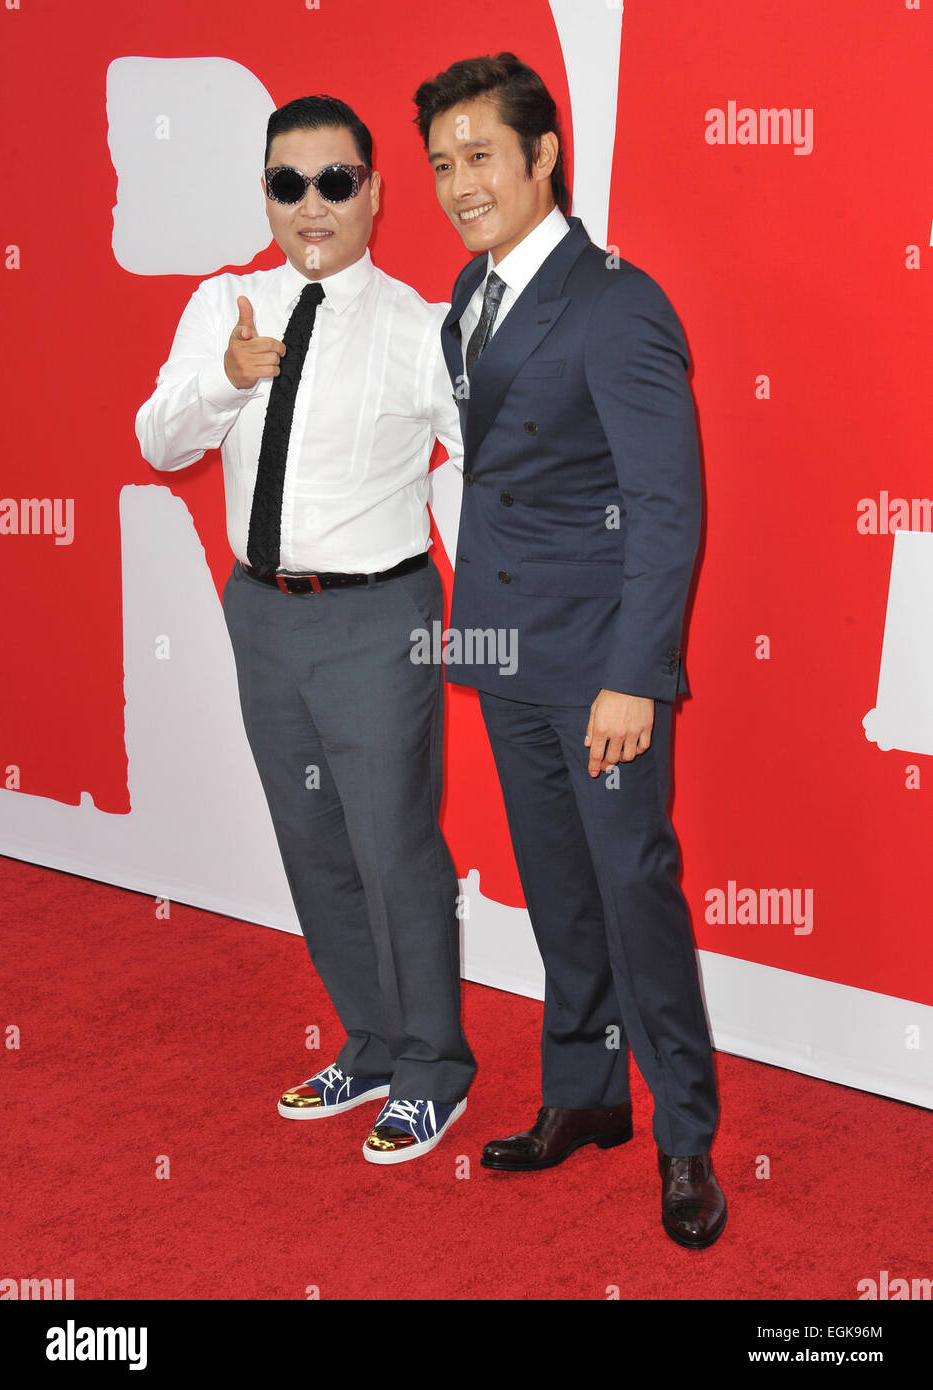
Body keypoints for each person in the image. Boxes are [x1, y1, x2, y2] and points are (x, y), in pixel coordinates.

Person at [413, 54, 726, 1244]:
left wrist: (634, 675)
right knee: (556, 894)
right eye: (442, 163)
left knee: (633, 892)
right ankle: (587, 1095)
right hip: (503, 652)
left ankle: (685, 1138)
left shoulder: (618, 302)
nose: (458, 183)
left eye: (480, 154)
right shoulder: (465, 291)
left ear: (544, 157)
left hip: (600, 671)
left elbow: (665, 507)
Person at [136, 95, 474, 1166]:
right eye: (289, 184)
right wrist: (222, 382)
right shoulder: (225, 305)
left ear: (372, 192)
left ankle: (434, 1068)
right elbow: (155, 439)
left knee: (393, 848)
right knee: (314, 843)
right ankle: (372, 1043)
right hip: (262, 615)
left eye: (336, 182)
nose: (312, 205)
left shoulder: (423, 327)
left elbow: (491, 461)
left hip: (380, 618)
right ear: (267, 195)